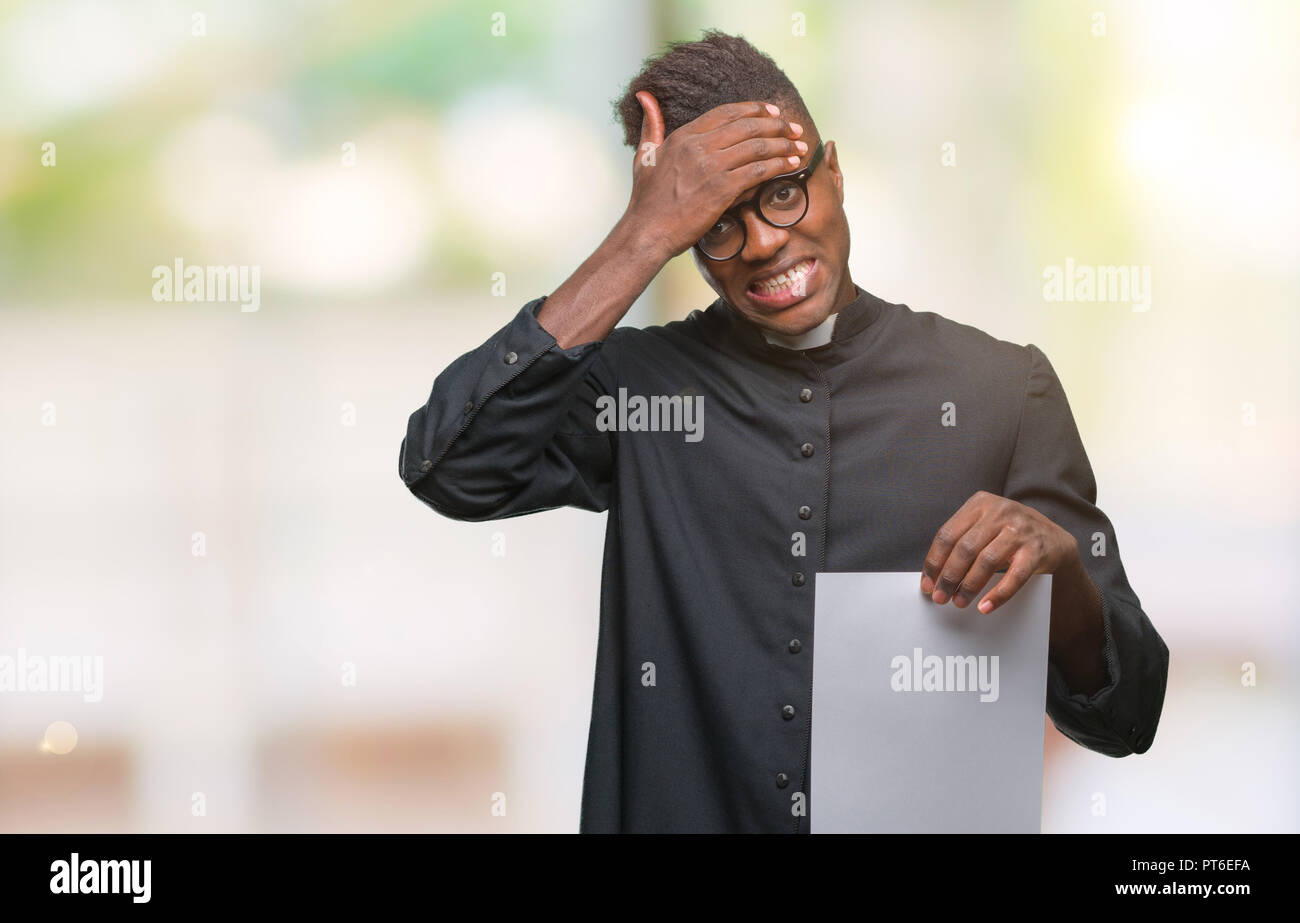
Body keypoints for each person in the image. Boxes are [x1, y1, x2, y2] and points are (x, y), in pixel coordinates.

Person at [398, 30, 1169, 833]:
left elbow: (1129, 713)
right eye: (715, 224)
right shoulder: (635, 389)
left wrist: (1063, 569)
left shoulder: (1005, 388)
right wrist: (641, 235)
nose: (763, 243)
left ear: (832, 171)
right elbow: (450, 466)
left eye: (780, 193)